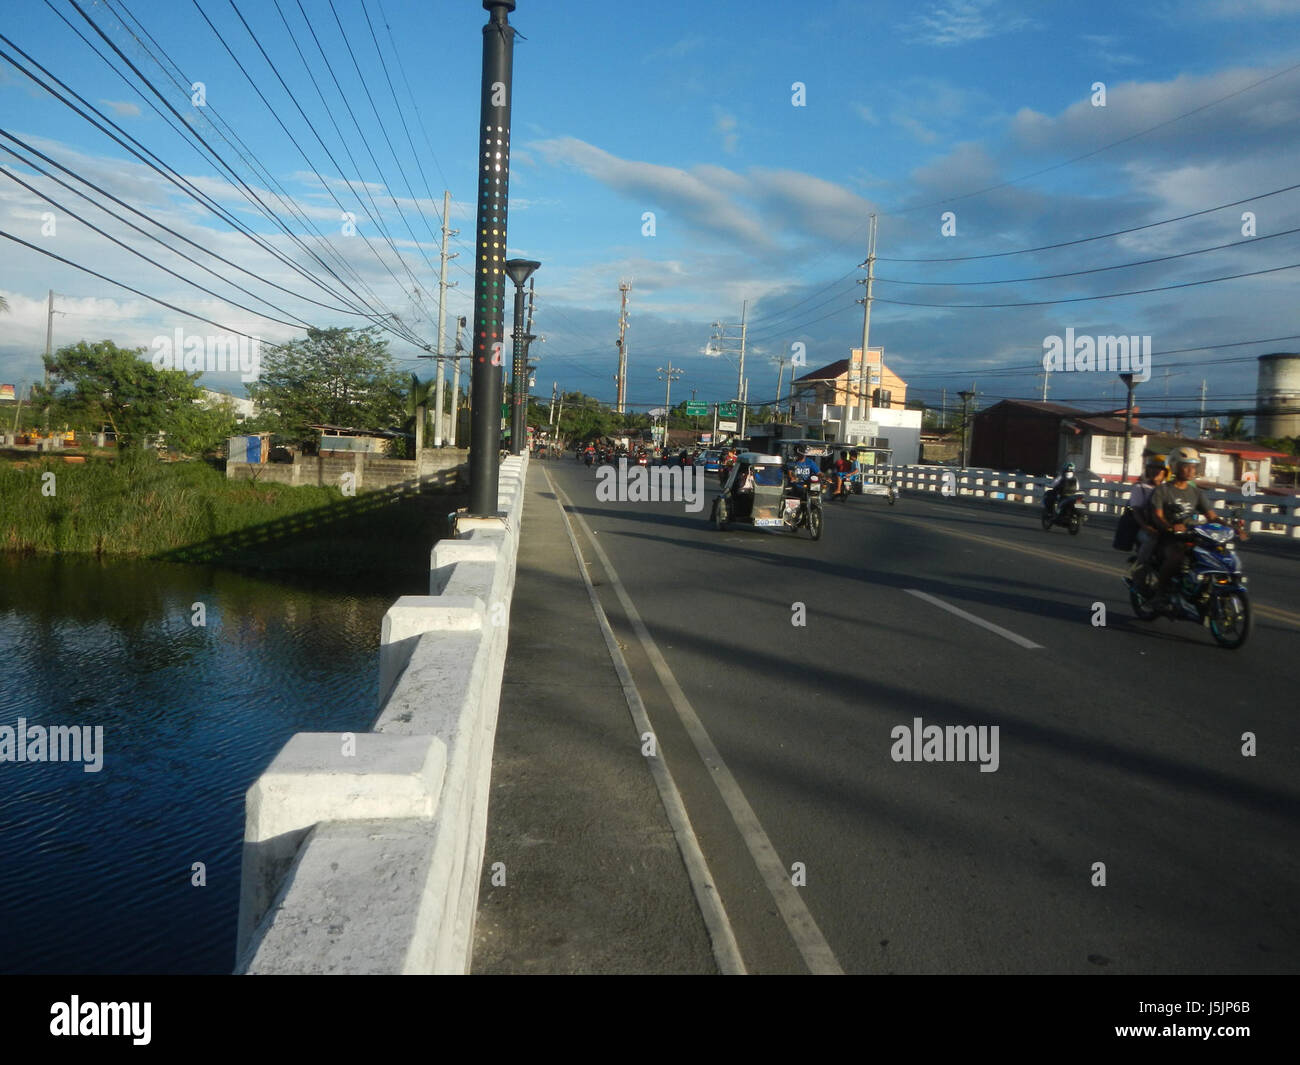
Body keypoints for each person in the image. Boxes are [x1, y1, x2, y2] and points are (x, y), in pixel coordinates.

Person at [1150, 447, 1218, 604]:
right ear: (1175, 466)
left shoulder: (1196, 492)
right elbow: (1157, 515)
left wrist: (1231, 527)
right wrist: (1170, 526)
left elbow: (1212, 517)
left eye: (1193, 466)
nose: (1191, 470)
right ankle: (1160, 593)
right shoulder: (1163, 490)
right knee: (1176, 557)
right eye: (1186, 466)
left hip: (1193, 535)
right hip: (1169, 538)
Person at [1127, 456, 1168, 568]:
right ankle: (1140, 569)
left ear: (1165, 472)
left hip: (1167, 527)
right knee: (1152, 540)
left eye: (1159, 468)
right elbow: (1136, 511)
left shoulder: (1169, 489)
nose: (1155, 471)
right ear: (1147, 470)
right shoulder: (1140, 487)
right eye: (1152, 468)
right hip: (1145, 528)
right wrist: (1146, 528)